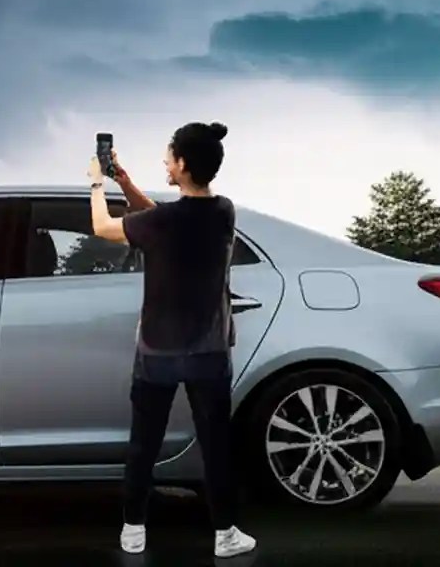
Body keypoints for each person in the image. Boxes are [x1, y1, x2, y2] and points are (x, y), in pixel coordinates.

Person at [84, 121, 257, 559]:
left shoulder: (163, 221)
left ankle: (134, 529)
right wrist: (124, 180)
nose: (164, 161)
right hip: (209, 352)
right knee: (216, 446)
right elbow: (154, 221)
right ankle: (225, 535)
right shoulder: (223, 212)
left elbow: (105, 227)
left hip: (157, 353)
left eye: (167, 156)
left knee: (144, 442)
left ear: (181, 164)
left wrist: (95, 183)